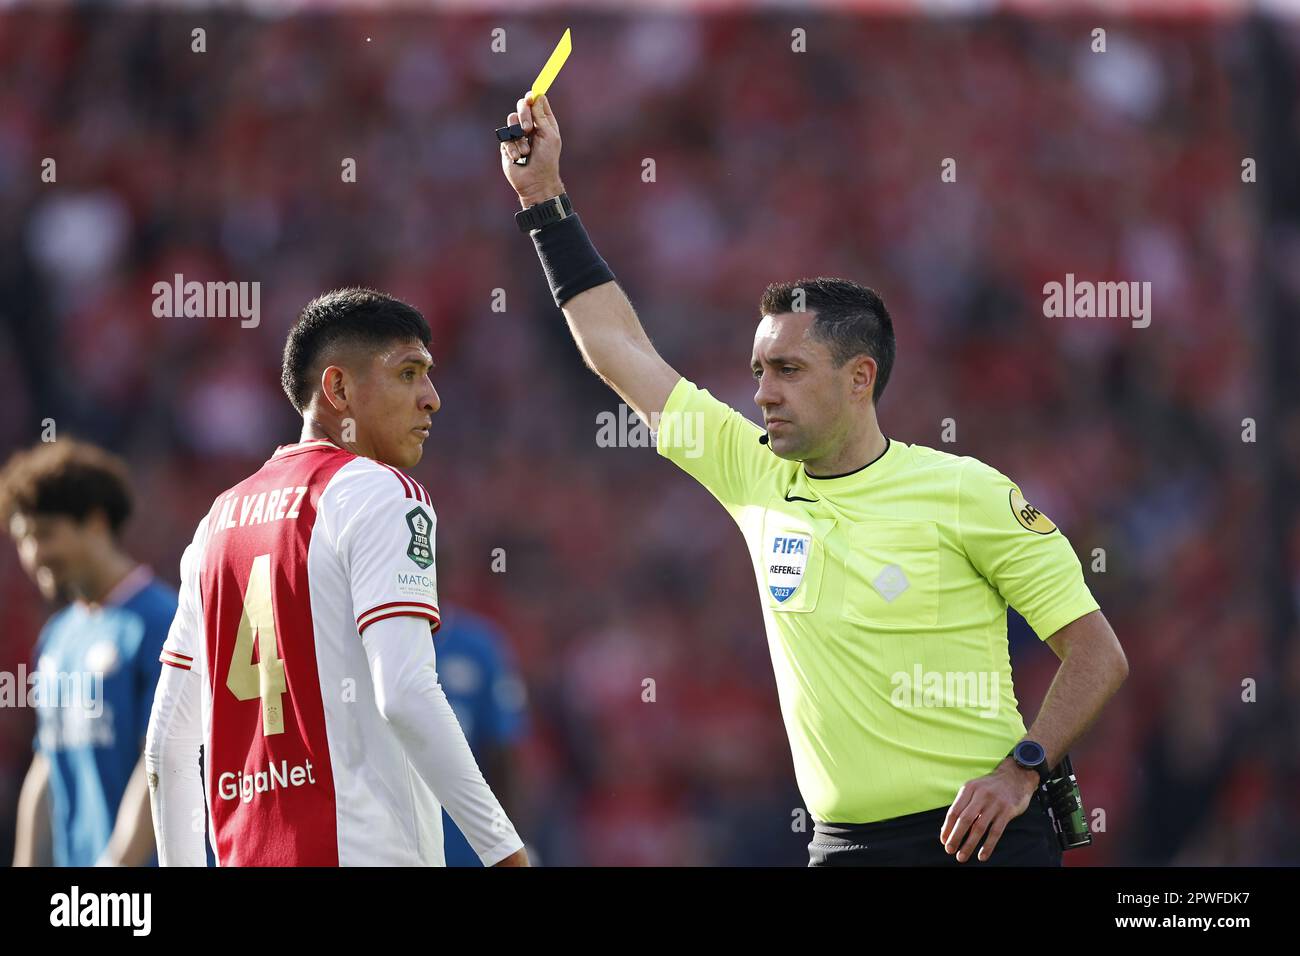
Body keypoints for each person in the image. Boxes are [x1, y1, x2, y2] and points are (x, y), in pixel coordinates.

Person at [497, 93, 1129, 866]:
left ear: (859, 378)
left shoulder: (967, 490)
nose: (763, 391)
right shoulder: (752, 472)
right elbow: (614, 346)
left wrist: (1021, 770)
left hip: (984, 841)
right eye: (759, 370)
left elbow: (1097, 653)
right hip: (843, 848)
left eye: (789, 370)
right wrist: (541, 198)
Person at [144, 288, 527, 867]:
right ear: (339, 389)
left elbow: (168, 745)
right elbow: (404, 691)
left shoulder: (214, 524)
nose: (432, 399)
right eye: (408, 373)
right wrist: (504, 853)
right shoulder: (381, 493)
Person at [1, 439, 175, 867]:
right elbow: (47, 764)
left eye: (45, 534)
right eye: (23, 540)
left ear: (95, 523)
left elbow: (165, 761)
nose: (33, 554)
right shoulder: (58, 637)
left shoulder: (163, 622)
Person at [433, 604, 529, 867]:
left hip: (466, 841)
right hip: (391, 836)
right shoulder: (368, 642)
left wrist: (510, 841)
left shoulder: (480, 645)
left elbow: (503, 751)